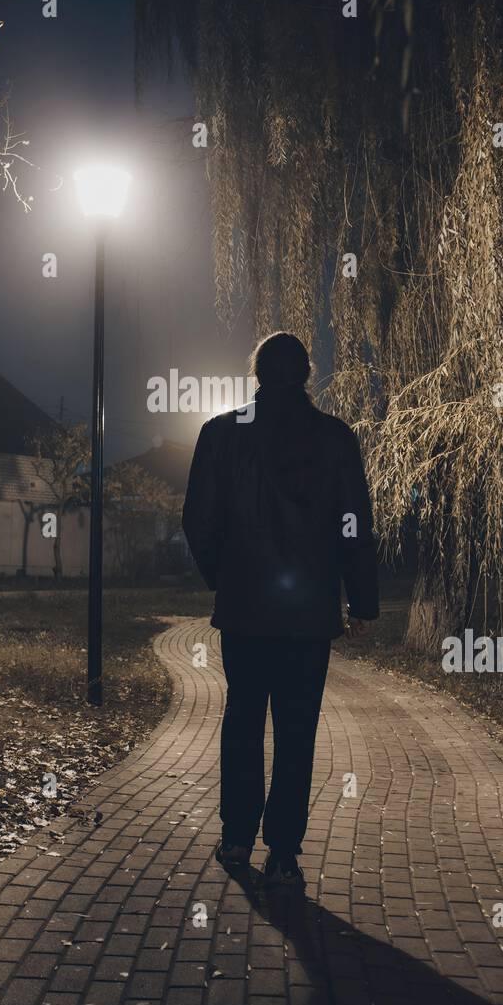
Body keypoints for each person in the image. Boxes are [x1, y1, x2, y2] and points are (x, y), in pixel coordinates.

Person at [182, 332, 379, 888]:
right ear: (307, 375)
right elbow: (354, 526)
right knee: (297, 730)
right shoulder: (336, 439)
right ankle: (286, 850)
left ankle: (237, 837)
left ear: (257, 373)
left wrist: (225, 577)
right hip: (308, 615)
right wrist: (360, 601)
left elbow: (197, 518)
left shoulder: (220, 434)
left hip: (245, 610)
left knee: (243, 719)